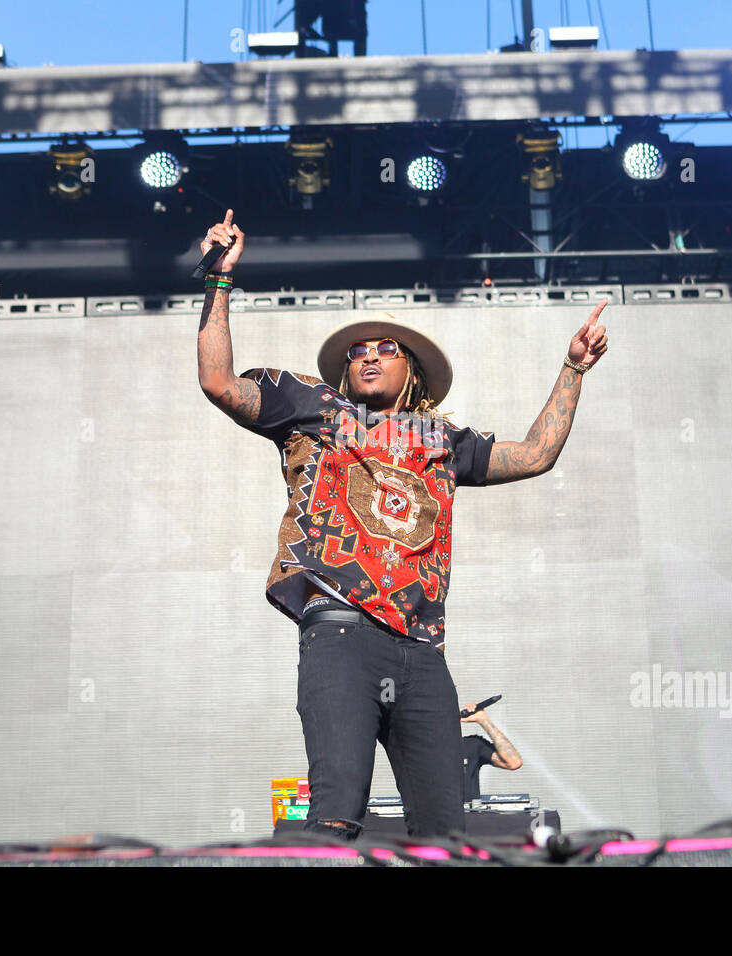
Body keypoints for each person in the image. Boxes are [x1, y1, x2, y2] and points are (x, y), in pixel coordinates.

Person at [196, 208, 608, 840]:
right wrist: (220, 284)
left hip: (422, 651)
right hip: (340, 631)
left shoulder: (443, 438)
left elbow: (535, 455)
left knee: (445, 833)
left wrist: (573, 369)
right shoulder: (313, 407)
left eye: (385, 348)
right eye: (357, 350)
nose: (367, 355)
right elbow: (220, 382)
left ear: (410, 366)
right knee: (336, 812)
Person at [460, 700, 523, 804]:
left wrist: (483, 719)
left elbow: (514, 762)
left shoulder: (471, 745)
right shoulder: (425, 747)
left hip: (467, 818)